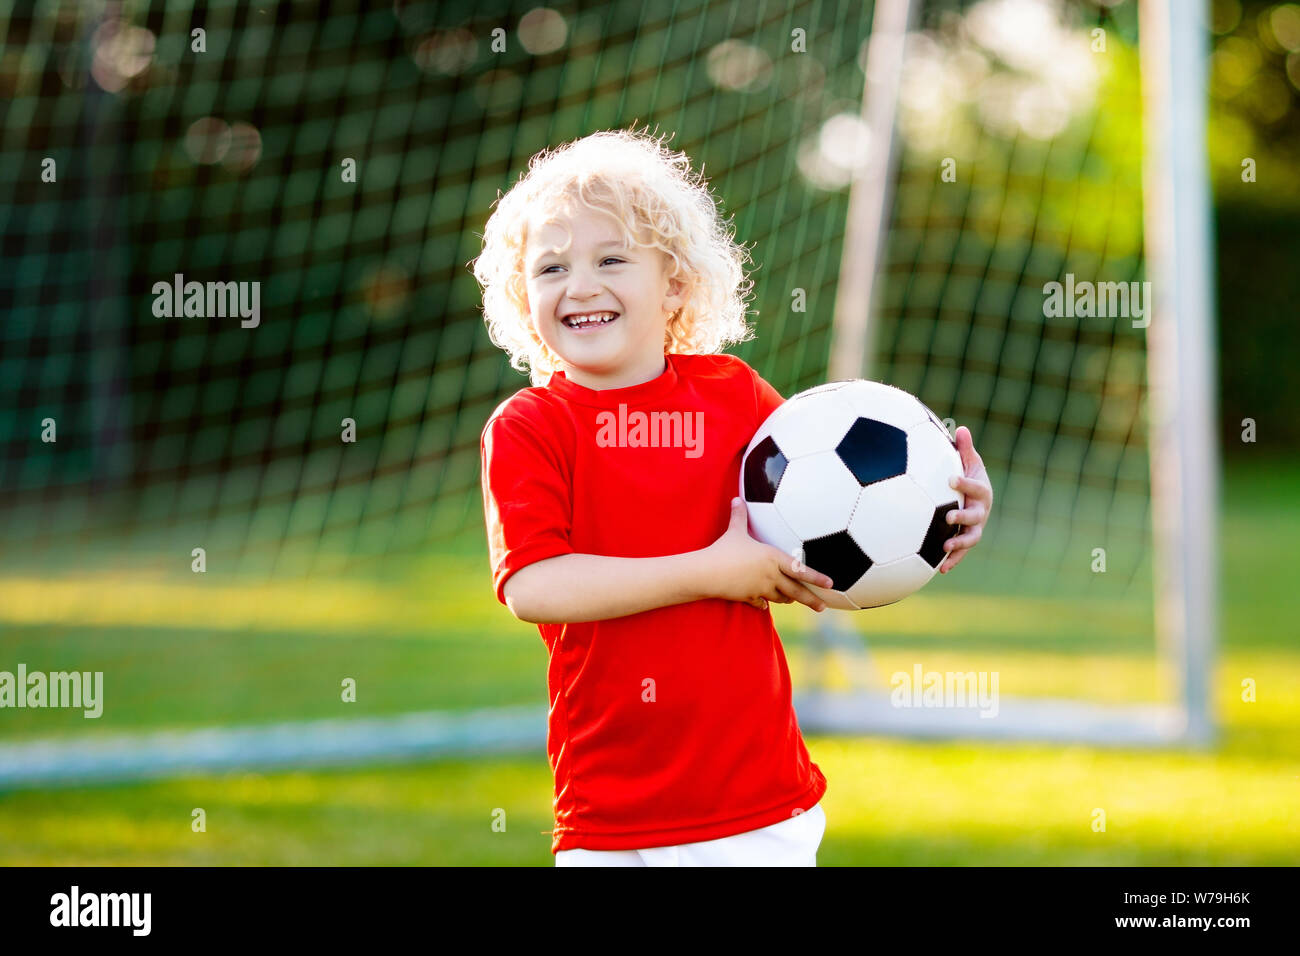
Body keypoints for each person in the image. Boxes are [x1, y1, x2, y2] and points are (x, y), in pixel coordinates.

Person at [473, 128, 993, 866]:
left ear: (676, 284)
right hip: (606, 806)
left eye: (611, 259)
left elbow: (843, 509)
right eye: (551, 267)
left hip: (753, 804)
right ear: (526, 300)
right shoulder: (530, 425)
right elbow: (533, 585)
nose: (579, 285)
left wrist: (953, 505)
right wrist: (711, 571)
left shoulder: (732, 395)